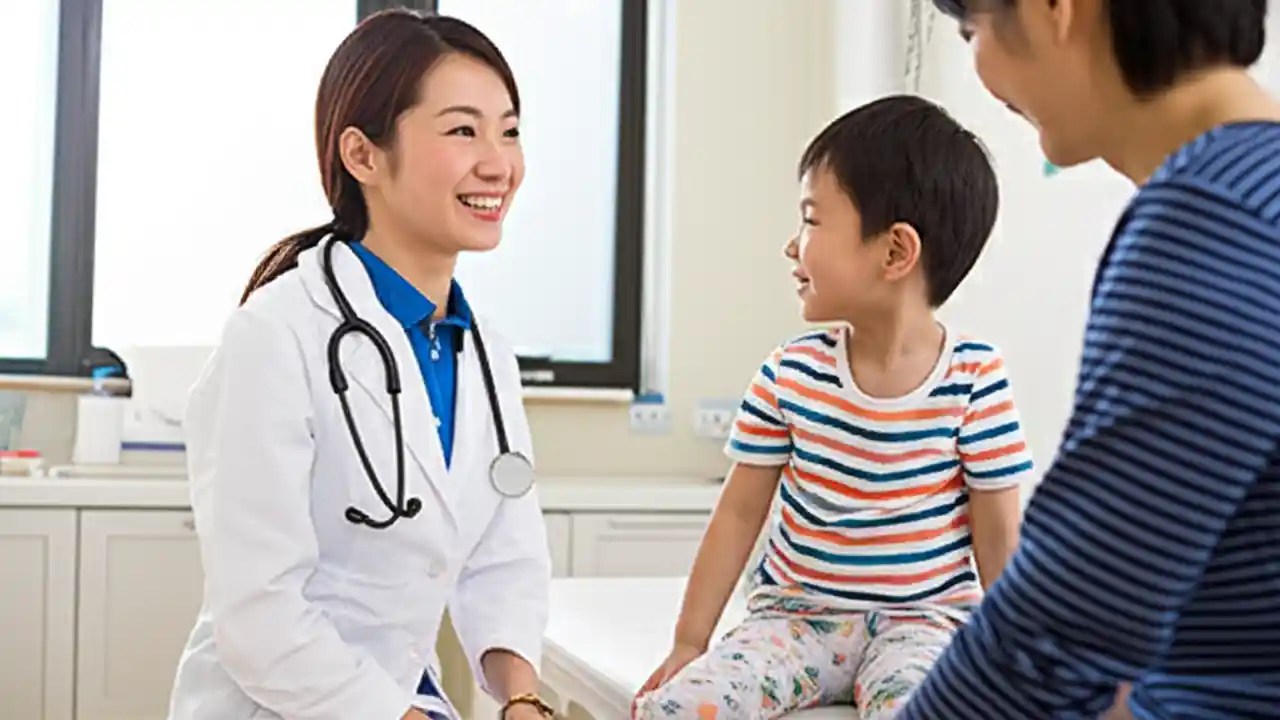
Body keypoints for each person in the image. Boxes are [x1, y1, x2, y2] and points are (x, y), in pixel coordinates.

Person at [166, 10, 556, 720]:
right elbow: (259, 613)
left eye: (510, 129)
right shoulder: (275, 335)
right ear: (363, 155)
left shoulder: (483, 349)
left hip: (403, 696)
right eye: (463, 130)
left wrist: (522, 699)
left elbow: (505, 561)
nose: (499, 162)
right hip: (281, 703)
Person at [900, 1, 1280, 718]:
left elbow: (1059, 631)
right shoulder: (1254, 194)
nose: (981, 70)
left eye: (971, 30)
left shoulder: (1210, 224)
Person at [631, 95, 1035, 720]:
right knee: (672, 709)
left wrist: (1013, 657)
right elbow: (738, 516)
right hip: (795, 623)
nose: (793, 247)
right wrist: (691, 643)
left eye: (813, 221)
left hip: (923, 626)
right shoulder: (790, 373)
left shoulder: (974, 378)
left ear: (895, 252)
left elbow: (998, 534)